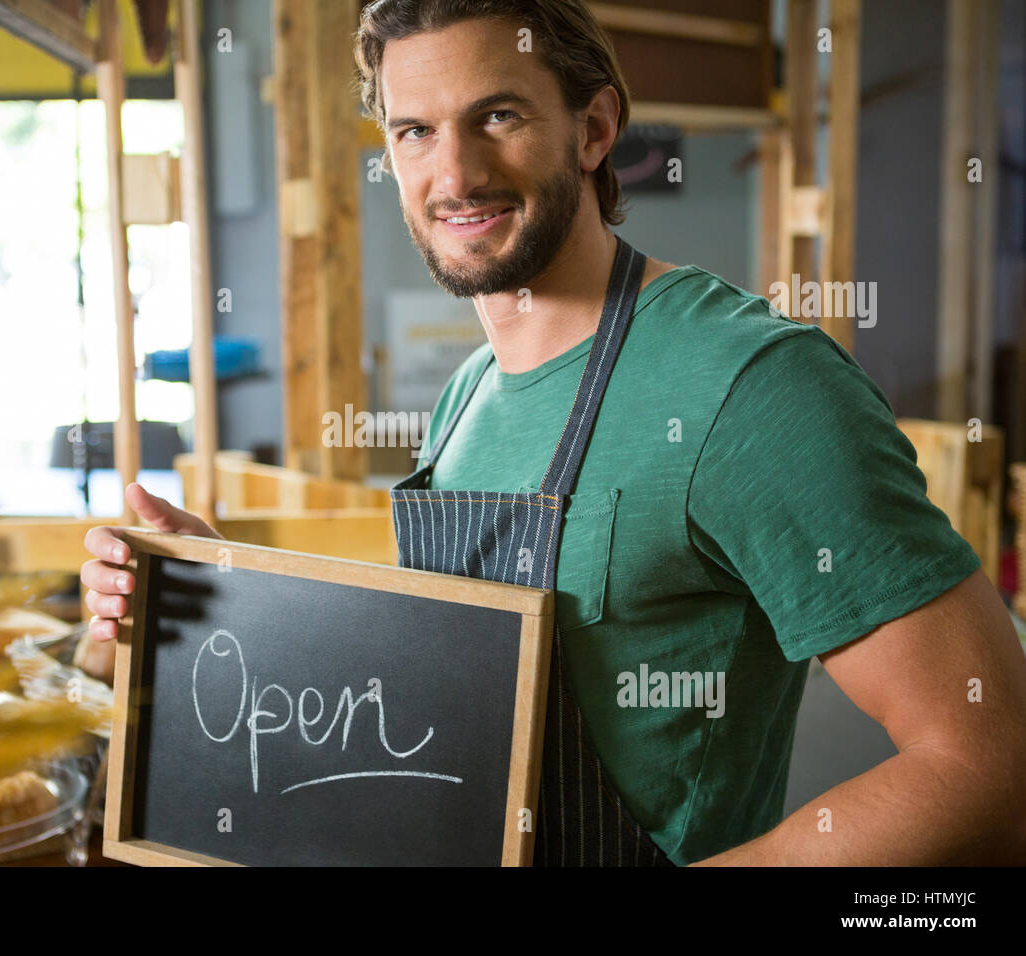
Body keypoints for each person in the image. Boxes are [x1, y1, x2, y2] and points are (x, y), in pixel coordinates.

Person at [81, 0, 1026, 865]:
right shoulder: (466, 396)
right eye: (415, 131)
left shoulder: (754, 386)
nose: (454, 174)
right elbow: (446, 708)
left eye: (498, 115)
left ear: (595, 128)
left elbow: (988, 760)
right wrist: (224, 601)